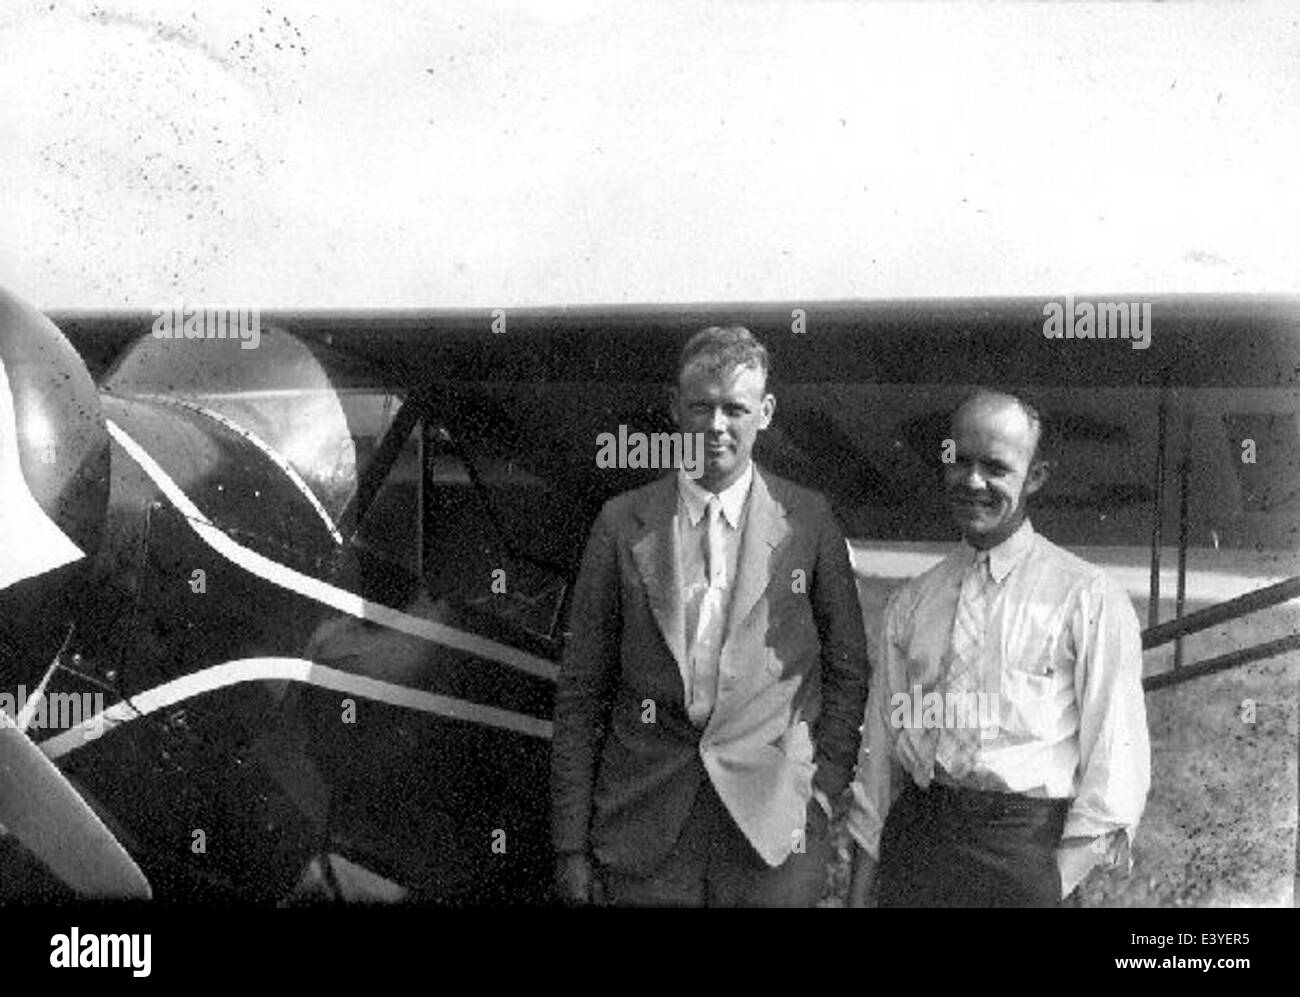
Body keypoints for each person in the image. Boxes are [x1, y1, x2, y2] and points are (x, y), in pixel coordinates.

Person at [551, 325, 870, 906]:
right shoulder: (621, 523)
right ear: (676, 409)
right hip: (645, 825)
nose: (717, 425)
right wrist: (571, 843)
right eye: (701, 406)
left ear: (766, 412)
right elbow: (581, 691)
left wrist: (822, 790)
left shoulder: (810, 522)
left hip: (772, 831)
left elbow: (849, 668)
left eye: (735, 408)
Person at [847, 388, 1150, 907]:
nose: (973, 481)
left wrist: (1050, 885)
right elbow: (877, 764)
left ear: (1035, 476)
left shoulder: (1087, 598)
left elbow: (1116, 767)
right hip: (920, 846)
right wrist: (859, 896)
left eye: (996, 467)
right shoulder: (911, 603)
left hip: (1024, 853)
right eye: (960, 461)